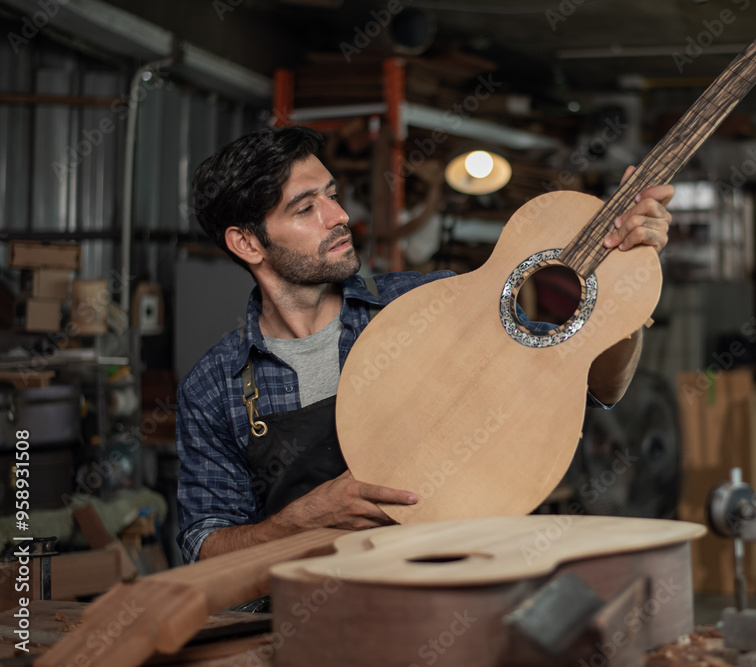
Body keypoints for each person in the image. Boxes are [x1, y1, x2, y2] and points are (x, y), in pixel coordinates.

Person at [176, 126, 672, 563]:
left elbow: (596, 384)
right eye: (307, 208)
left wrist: (627, 275)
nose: (340, 215)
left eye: (332, 195)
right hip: (308, 623)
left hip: (455, 596)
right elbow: (206, 545)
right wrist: (298, 521)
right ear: (247, 243)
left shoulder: (427, 304)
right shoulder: (214, 386)